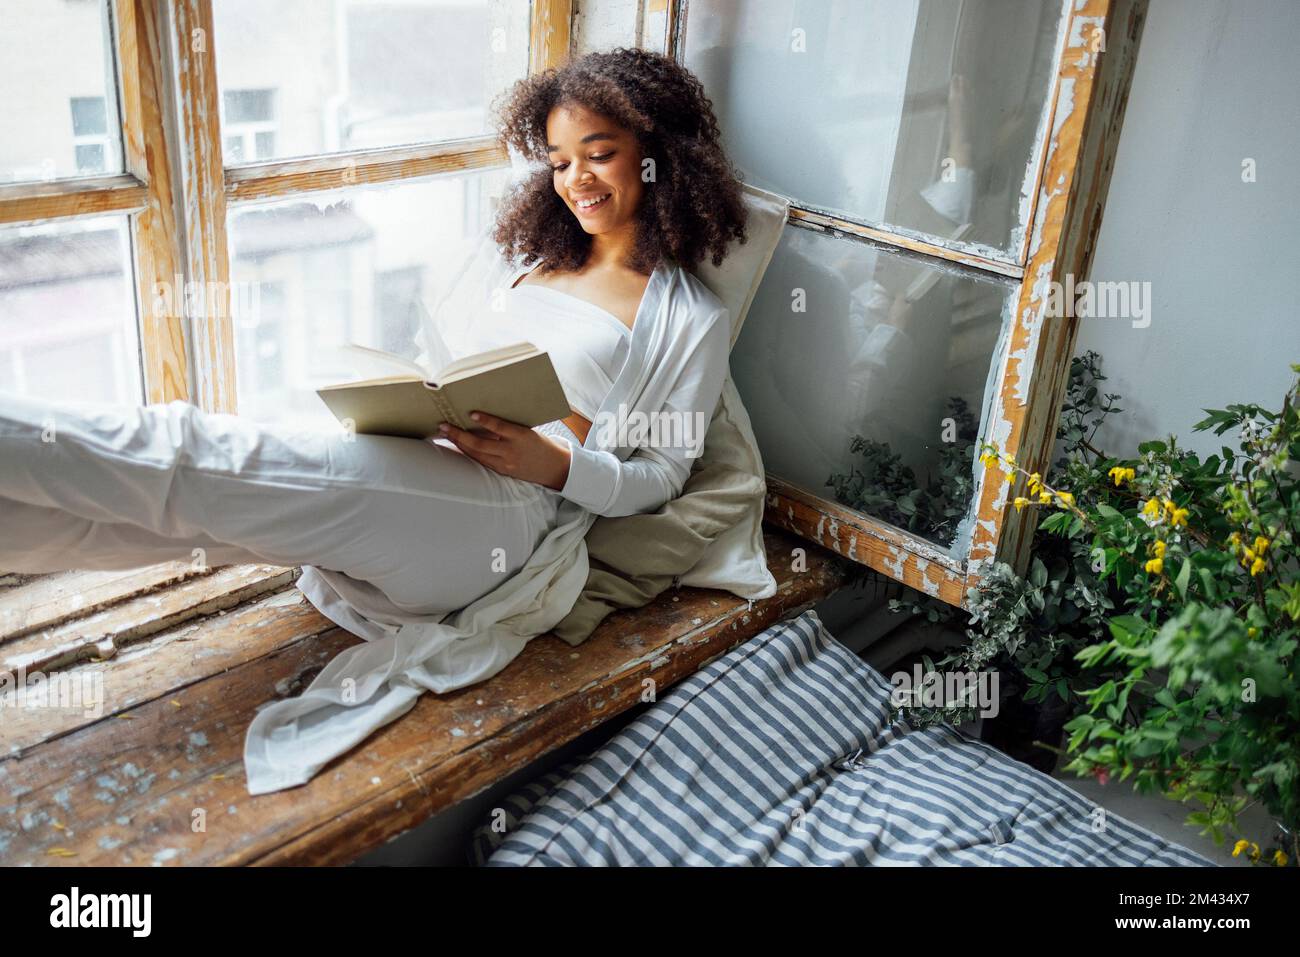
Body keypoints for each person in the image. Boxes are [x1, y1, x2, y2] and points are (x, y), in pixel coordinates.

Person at [0, 47, 749, 794]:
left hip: (508, 517)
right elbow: (448, 359)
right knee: (177, 522)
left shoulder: (687, 317)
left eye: (599, 154)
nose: (575, 180)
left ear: (658, 155)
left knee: (191, 450)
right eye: (557, 160)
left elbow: (662, 478)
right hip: (423, 462)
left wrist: (552, 464)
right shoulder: (523, 259)